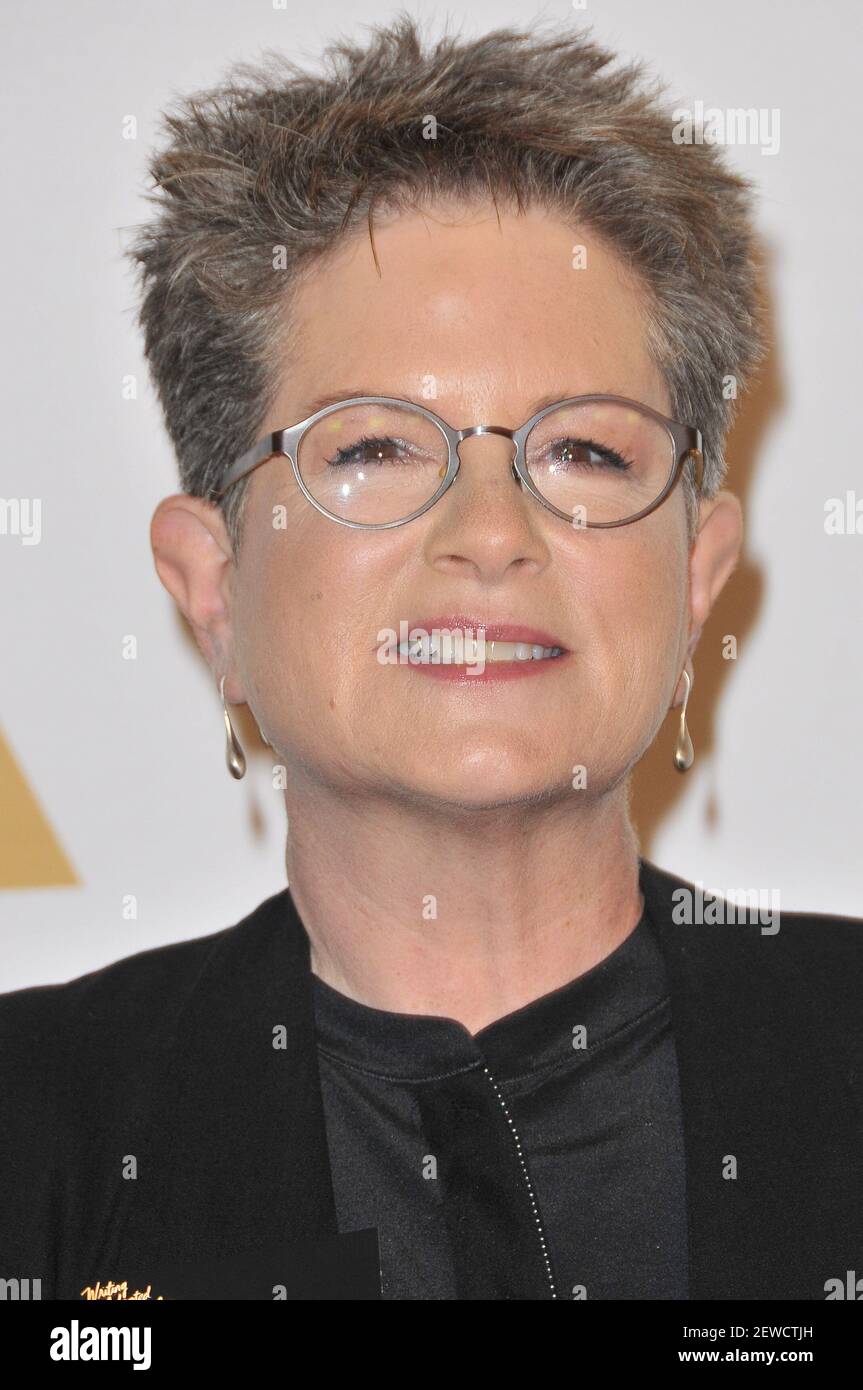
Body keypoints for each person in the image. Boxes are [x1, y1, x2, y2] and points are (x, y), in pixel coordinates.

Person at [2, 13, 861, 1302]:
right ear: (213, 585)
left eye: (585, 451)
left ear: (694, 577)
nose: (492, 535)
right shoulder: (34, 1134)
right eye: (372, 450)